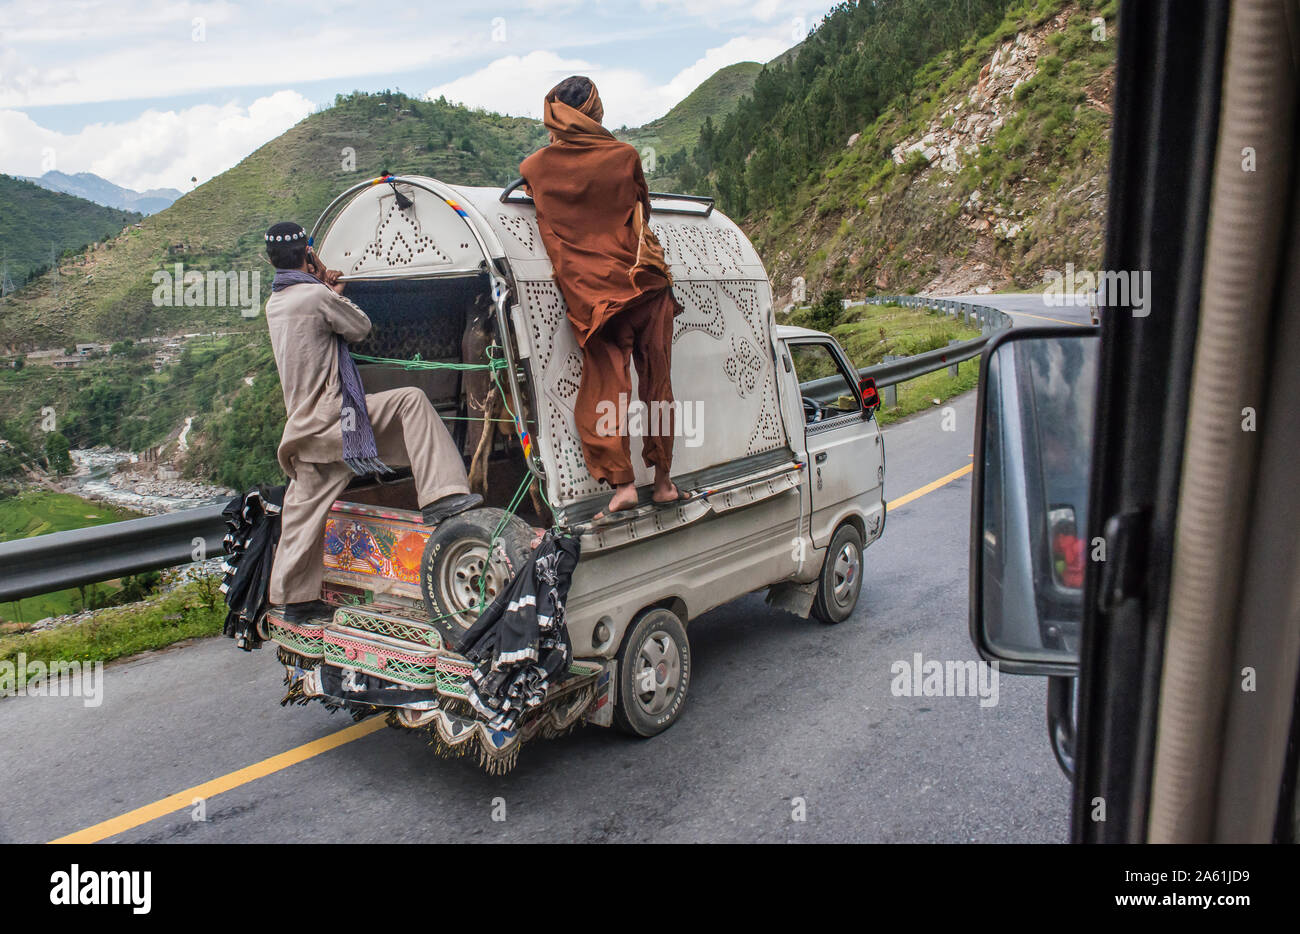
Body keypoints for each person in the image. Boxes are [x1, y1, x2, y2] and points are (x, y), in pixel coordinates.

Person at [262, 221, 480, 622]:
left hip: (302, 430)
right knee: (411, 402)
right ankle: (443, 495)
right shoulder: (314, 297)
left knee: (302, 511)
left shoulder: (276, 304)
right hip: (335, 418)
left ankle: (295, 600)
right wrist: (327, 286)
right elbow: (360, 327)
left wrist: (319, 283)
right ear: (307, 255)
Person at [520, 76, 681, 515]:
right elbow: (642, 212)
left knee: (608, 387)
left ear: (556, 117)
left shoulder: (534, 169)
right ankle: (664, 481)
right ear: (593, 112)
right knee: (658, 386)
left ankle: (623, 485)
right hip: (646, 286)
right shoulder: (625, 156)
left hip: (598, 299)